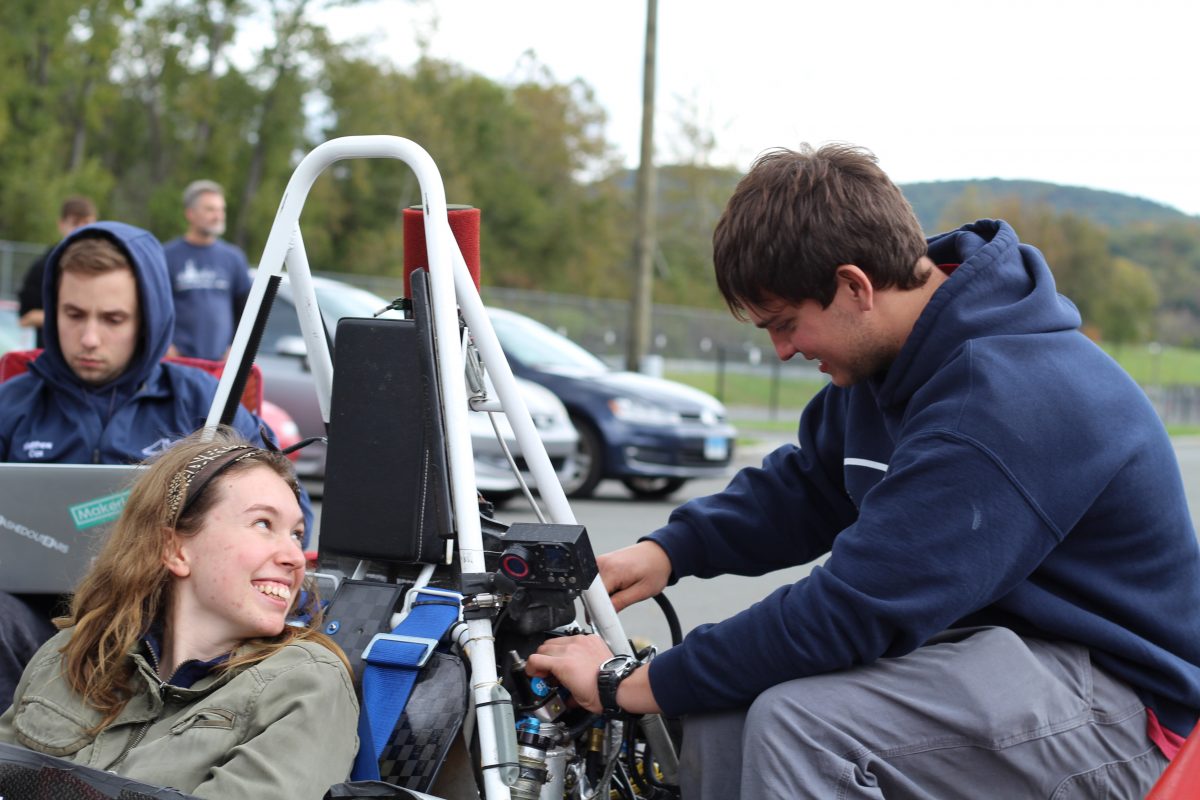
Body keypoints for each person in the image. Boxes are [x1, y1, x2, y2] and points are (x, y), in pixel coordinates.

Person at [527, 144, 1200, 798]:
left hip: (1125, 709)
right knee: (723, 707)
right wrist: (667, 552)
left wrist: (628, 683)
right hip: (993, 656)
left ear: (855, 286)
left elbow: (851, 611)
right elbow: (810, 486)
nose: (783, 350)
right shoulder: (891, 365)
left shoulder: (1004, 399)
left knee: (802, 729)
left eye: (787, 323)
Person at [0, 220, 311, 710]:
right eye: (73, 314)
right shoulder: (13, 404)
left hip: (165, 623)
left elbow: (292, 520)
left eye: (113, 319)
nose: (89, 338)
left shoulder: (207, 406)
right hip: (32, 621)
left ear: (149, 317)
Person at [0, 428, 358, 798]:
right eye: (263, 524)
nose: (295, 557)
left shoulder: (304, 684)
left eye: (297, 534)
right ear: (174, 549)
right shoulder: (77, 651)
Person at [163, 180, 253, 361]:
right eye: (210, 209)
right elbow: (155, 307)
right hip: (177, 363)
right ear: (190, 214)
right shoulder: (166, 255)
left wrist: (235, 347)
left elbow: (247, 310)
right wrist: (165, 345)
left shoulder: (233, 257)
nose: (218, 215)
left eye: (221, 209)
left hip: (219, 366)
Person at [17, 195, 97, 348]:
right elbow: (26, 318)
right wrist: (72, 317)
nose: (81, 230)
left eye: (86, 223)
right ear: (62, 224)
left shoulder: (109, 266)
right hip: (51, 356)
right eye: (75, 223)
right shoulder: (44, 266)